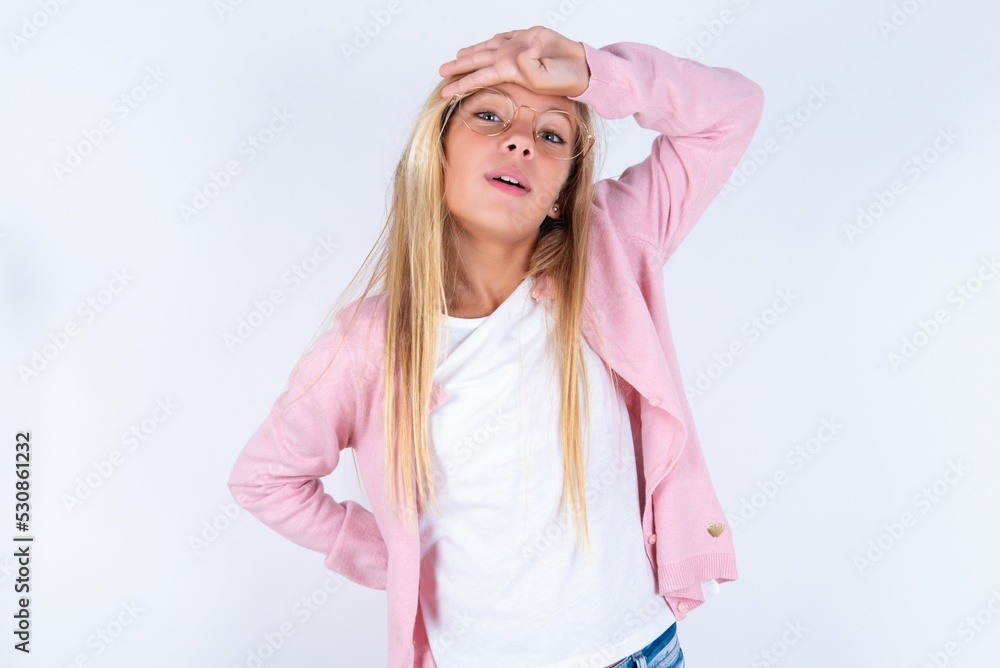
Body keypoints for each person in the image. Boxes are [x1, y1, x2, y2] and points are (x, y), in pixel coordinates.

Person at [228, 25, 764, 668]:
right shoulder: (370, 342)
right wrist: (400, 561)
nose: (520, 139)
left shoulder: (609, 253)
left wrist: (593, 71)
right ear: (438, 156)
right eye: (489, 116)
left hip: (642, 650)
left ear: (563, 194)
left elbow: (732, 111)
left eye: (552, 134)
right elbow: (266, 479)